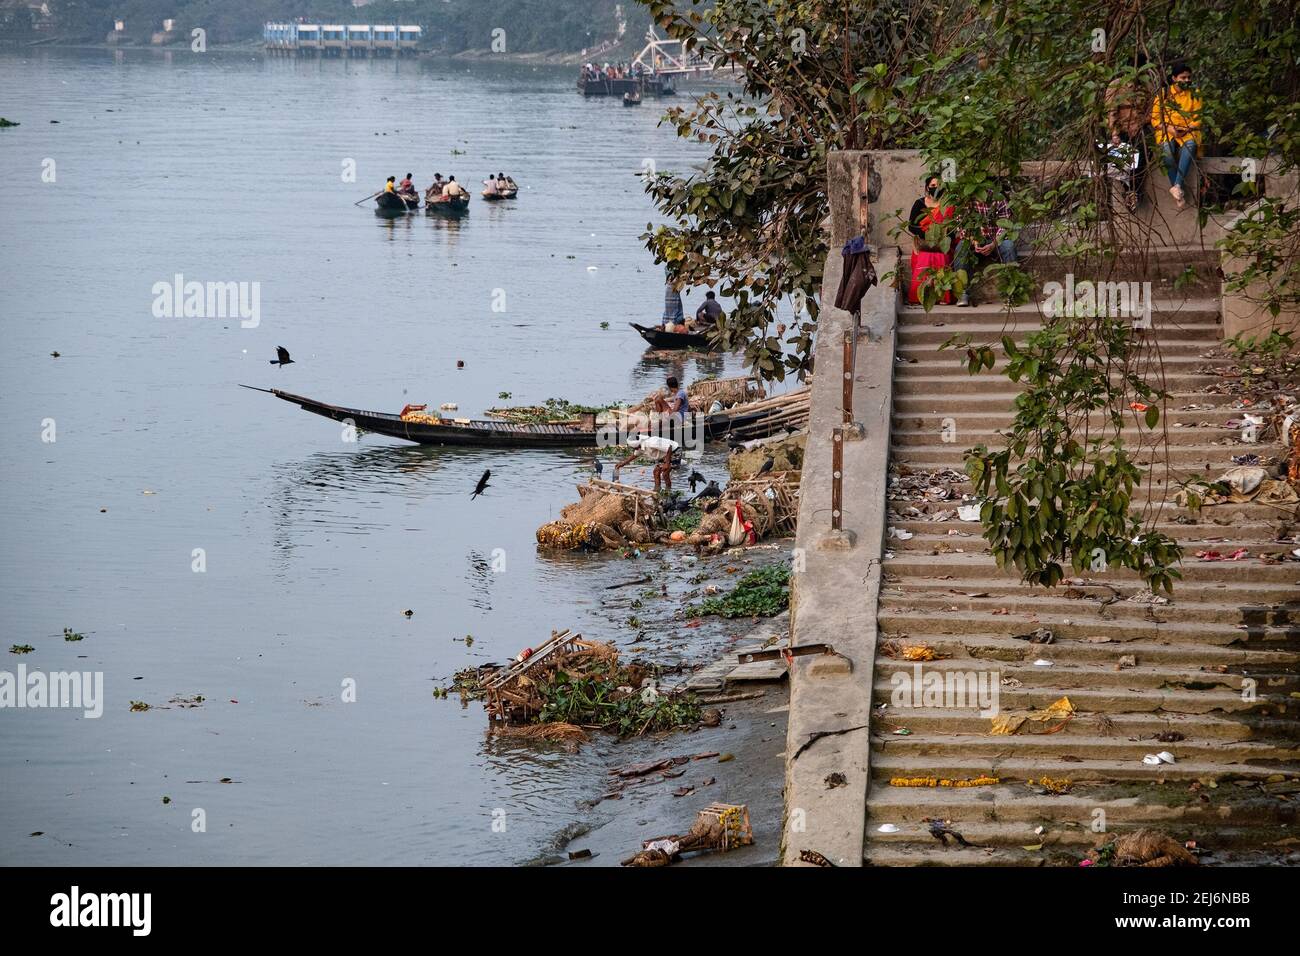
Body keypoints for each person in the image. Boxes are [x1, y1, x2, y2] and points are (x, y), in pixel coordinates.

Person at [952, 187, 1017, 307]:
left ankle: (1011, 292)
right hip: (974, 240)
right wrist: (974, 241)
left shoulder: (998, 199)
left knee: (1009, 246)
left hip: (996, 240)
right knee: (961, 248)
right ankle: (963, 293)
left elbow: (1006, 225)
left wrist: (993, 244)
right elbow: (962, 226)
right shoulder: (965, 199)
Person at [1150, 61, 1201, 209]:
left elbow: (1198, 118)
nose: (1187, 81)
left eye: (1189, 77)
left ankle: (1176, 186)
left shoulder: (1195, 94)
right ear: (1174, 78)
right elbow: (1155, 120)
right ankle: (1177, 188)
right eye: (1183, 78)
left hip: (1187, 131)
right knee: (1166, 151)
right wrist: (1170, 128)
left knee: (1191, 145)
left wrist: (1186, 128)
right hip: (1167, 131)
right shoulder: (1164, 94)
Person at [906, 172, 957, 306]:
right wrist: (928, 236)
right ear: (927, 188)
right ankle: (920, 297)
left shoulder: (948, 205)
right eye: (933, 185)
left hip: (943, 244)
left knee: (942, 257)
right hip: (923, 244)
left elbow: (953, 228)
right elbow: (911, 226)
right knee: (925, 256)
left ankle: (942, 296)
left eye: (939, 185)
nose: (936, 187)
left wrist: (940, 236)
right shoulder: (919, 203)